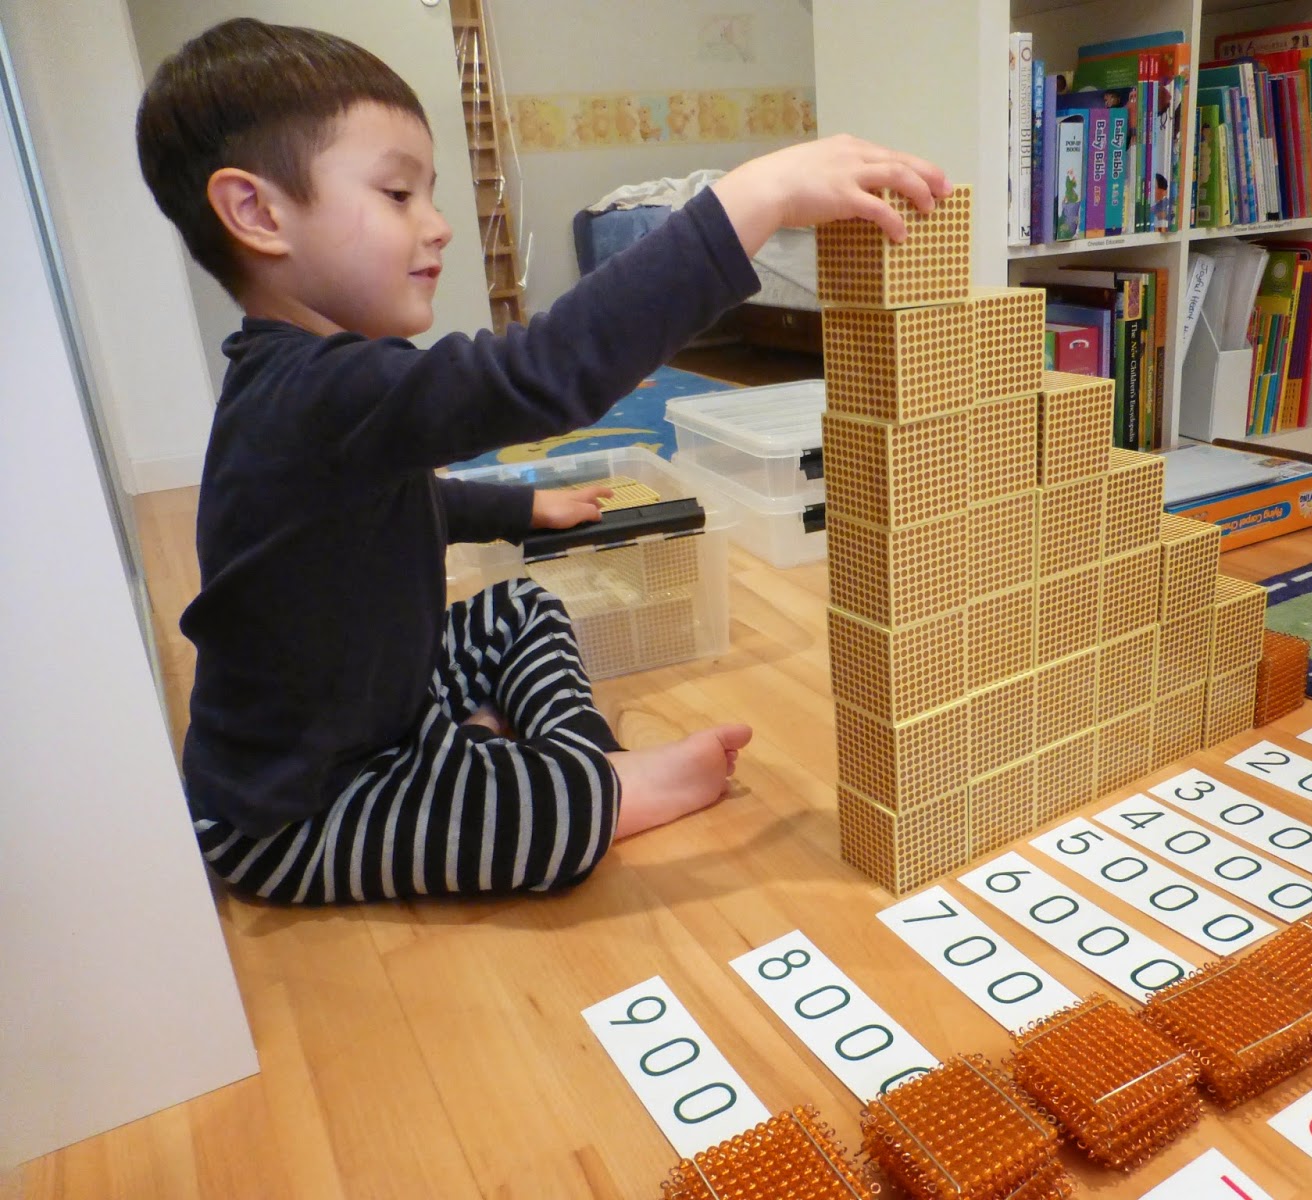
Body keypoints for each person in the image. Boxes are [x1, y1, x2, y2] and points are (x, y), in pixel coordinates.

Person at [135, 17, 949, 905]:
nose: (439, 226)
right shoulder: (309, 392)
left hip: (385, 703)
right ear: (257, 212)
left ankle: (573, 756)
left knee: (520, 604)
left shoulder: (317, 391)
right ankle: (598, 789)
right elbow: (546, 375)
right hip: (296, 807)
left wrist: (523, 513)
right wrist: (754, 199)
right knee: (533, 819)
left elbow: (398, 507)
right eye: (398, 194)